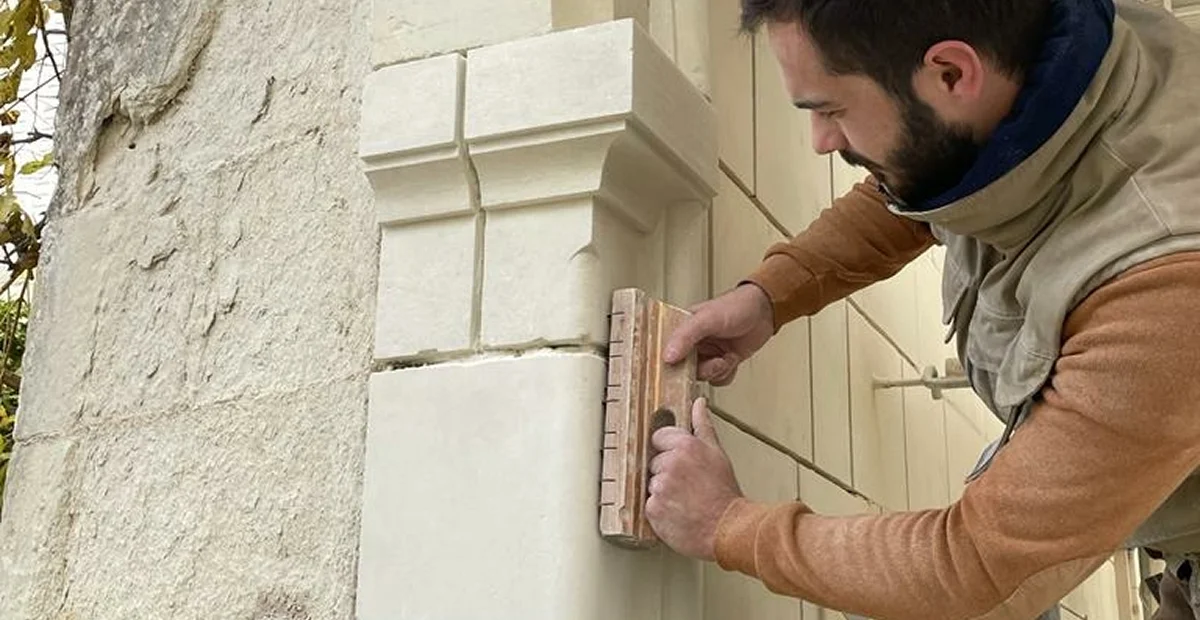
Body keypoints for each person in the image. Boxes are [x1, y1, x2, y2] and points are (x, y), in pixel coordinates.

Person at [643, 0, 1200, 618]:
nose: (821, 142)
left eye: (832, 110)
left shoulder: (1167, 287)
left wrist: (727, 525)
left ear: (952, 74)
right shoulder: (1036, 58)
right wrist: (771, 295)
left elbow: (971, 564)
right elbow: (922, 172)